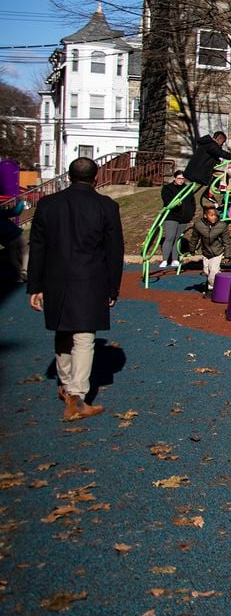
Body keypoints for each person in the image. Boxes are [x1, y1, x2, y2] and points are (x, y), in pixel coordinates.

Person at [27, 157, 123, 421]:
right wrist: (112, 287)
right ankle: (77, 395)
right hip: (91, 278)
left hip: (55, 277)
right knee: (83, 336)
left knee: (63, 330)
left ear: (69, 176)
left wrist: (34, 285)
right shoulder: (106, 206)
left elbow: (37, 247)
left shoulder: (48, 205)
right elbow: (114, 251)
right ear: (95, 177)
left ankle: (66, 383)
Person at [185, 205, 229, 296]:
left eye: (215, 215)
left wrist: (227, 255)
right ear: (205, 216)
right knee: (206, 271)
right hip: (206, 252)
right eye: (211, 215)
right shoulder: (198, 225)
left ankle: (211, 289)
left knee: (213, 272)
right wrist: (192, 249)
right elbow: (194, 238)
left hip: (217, 252)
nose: (214, 217)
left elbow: (227, 241)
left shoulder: (222, 225)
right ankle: (217, 278)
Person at [157, 171, 196, 270]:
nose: (181, 180)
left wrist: (191, 213)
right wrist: (175, 204)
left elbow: (192, 202)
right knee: (170, 237)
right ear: (175, 178)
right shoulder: (167, 188)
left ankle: (175, 259)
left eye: (183, 179)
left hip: (184, 217)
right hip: (172, 216)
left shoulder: (187, 189)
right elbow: (167, 201)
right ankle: (165, 260)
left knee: (177, 239)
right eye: (179, 178)